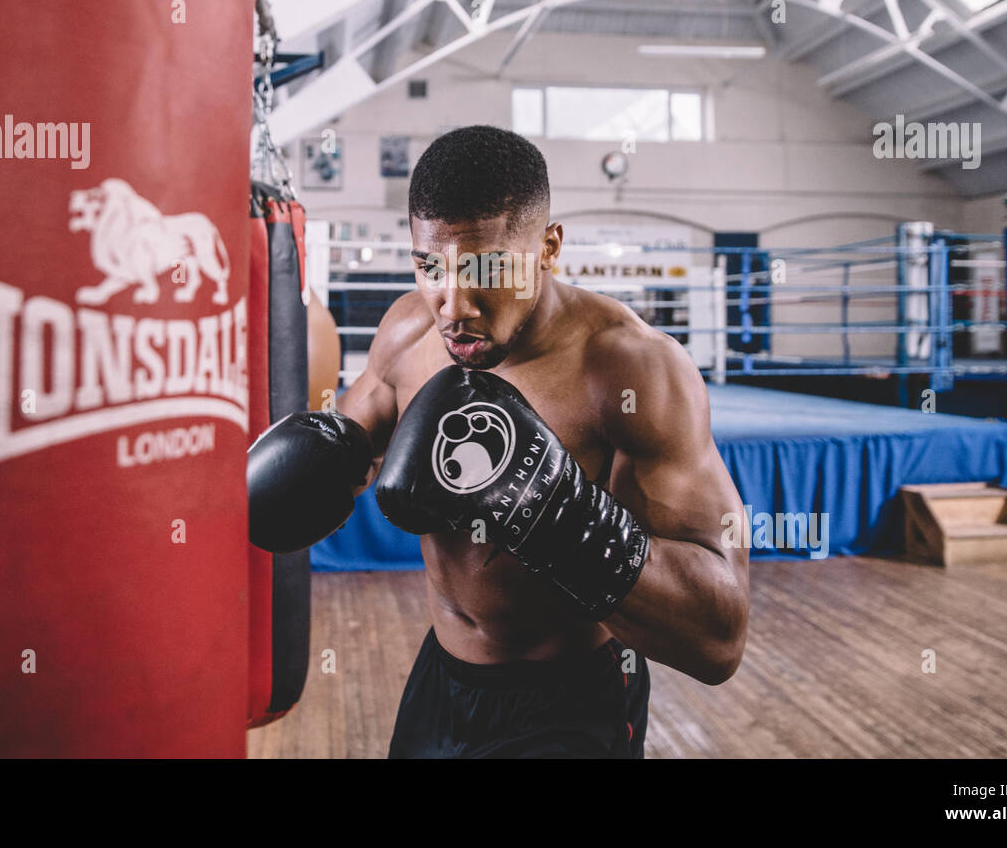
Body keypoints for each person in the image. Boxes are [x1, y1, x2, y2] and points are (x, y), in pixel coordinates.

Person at [248, 125, 750, 758]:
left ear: (548, 247)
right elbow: (350, 449)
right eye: (430, 265)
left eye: (486, 268)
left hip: (573, 704)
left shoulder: (632, 370)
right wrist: (313, 462)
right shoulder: (408, 332)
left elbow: (720, 634)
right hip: (444, 680)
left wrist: (560, 513)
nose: (453, 305)